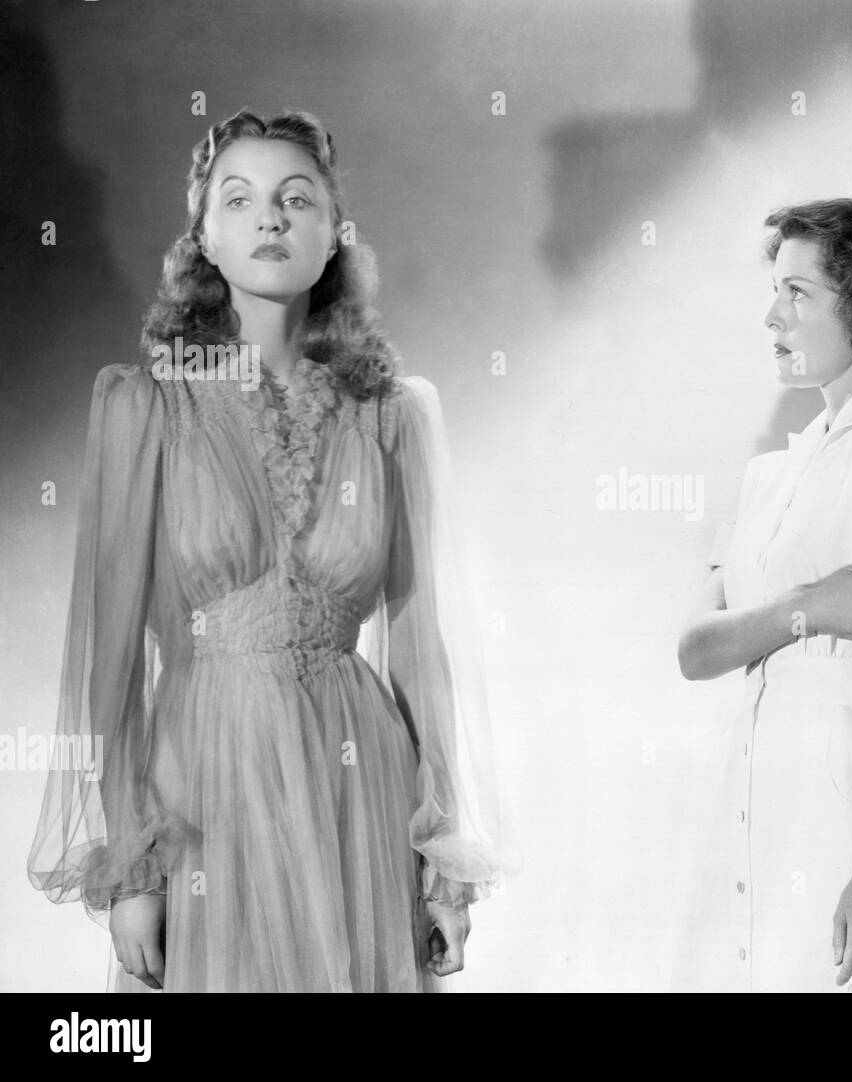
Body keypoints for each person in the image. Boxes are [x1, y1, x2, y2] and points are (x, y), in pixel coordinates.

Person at [27, 109, 506, 992]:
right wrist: (130, 867)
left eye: (297, 198)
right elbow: (110, 666)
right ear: (203, 236)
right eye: (238, 198)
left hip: (356, 788)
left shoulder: (392, 414)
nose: (271, 218)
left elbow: (423, 652)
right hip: (205, 787)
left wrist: (443, 861)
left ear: (335, 235)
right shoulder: (147, 409)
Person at [677, 197, 852, 992]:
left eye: (797, 293)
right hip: (748, 794)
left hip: (840, 804)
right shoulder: (773, 471)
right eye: (775, 290)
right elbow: (695, 648)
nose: (773, 315)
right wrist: (811, 606)